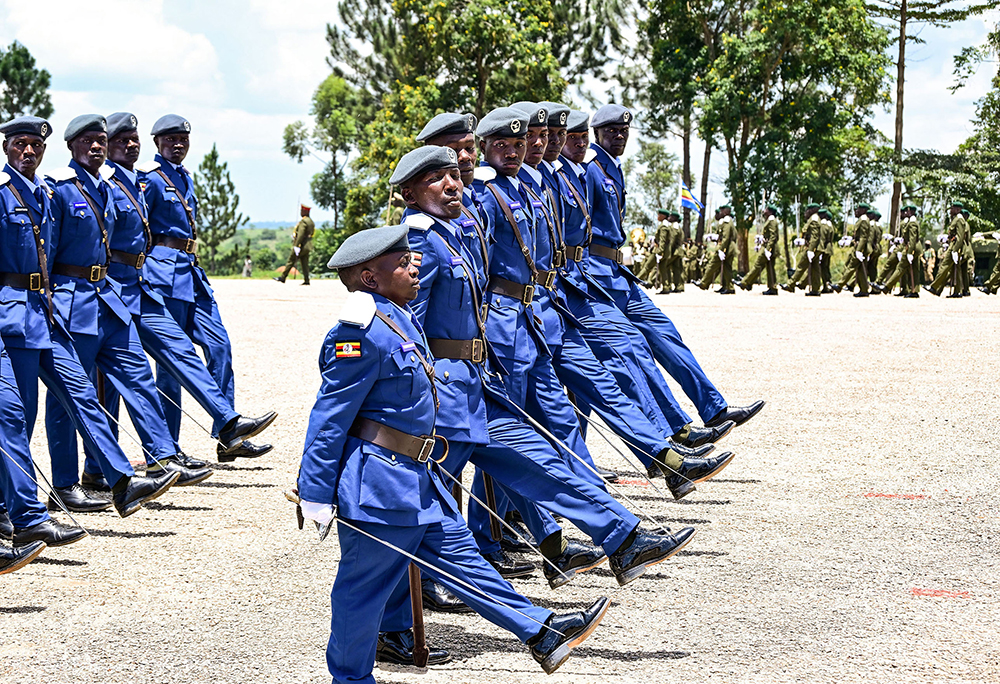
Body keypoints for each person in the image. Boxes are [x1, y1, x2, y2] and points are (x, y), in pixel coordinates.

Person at [296, 223, 611, 682]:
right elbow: (329, 419)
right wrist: (316, 493)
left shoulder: (398, 315)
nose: (414, 266)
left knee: (469, 565)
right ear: (369, 278)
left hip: (419, 481)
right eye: (401, 263)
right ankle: (351, 679)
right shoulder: (357, 334)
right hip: (380, 493)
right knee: (360, 596)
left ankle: (540, 632)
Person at [0, 115, 179, 520]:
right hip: (13, 314)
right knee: (19, 414)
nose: (28, 151)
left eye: (34, 145)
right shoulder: (9, 194)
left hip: (45, 312)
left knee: (81, 393)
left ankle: (120, 480)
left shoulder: (42, 194)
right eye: (20, 144)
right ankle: (12, 507)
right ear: (7, 148)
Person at [583, 104, 764, 427]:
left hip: (618, 273)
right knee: (624, 354)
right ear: (597, 133)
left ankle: (713, 408)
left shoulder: (613, 167)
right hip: (594, 275)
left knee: (666, 334)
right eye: (611, 131)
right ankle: (675, 432)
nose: (619, 136)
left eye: (623, 131)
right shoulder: (590, 168)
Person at [139, 115, 270, 461]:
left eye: (182, 138)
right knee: (170, 366)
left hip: (192, 273)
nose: (177, 144)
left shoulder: (185, 178)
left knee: (220, 346)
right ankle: (169, 451)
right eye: (170, 139)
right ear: (157, 143)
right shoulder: (150, 181)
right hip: (164, 274)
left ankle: (229, 435)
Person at [924, 201, 969, 298]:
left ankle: (934, 286)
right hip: (952, 244)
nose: (950, 211)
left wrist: (955, 250)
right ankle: (957, 291)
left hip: (954, 246)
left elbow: (960, 236)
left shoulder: (959, 219)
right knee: (955, 269)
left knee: (944, 266)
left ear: (958, 209)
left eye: (952, 209)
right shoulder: (955, 219)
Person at [740, 204, 779, 294]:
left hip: (769, 248)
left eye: (766, 209)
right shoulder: (769, 220)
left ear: (770, 211)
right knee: (770, 268)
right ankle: (772, 287)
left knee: (758, 264)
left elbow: (773, 236)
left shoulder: (771, 220)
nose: (764, 211)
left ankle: (745, 282)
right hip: (768, 246)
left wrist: (768, 249)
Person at [274, 203, 315, 285]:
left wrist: (297, 245)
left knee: (291, 260)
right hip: (308, 245)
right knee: (304, 263)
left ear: (305, 212)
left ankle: (283, 277)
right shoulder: (310, 221)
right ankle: (306, 279)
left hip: (301, 245)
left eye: (302, 211)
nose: (301, 212)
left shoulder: (304, 221)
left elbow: (301, 234)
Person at [698, 205, 736, 293]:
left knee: (713, 264)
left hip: (726, 247)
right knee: (726, 268)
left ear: (726, 212)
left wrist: (722, 250)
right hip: (727, 246)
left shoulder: (727, 221)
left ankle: (704, 283)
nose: (720, 212)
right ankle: (729, 287)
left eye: (721, 211)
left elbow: (725, 237)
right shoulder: (726, 221)